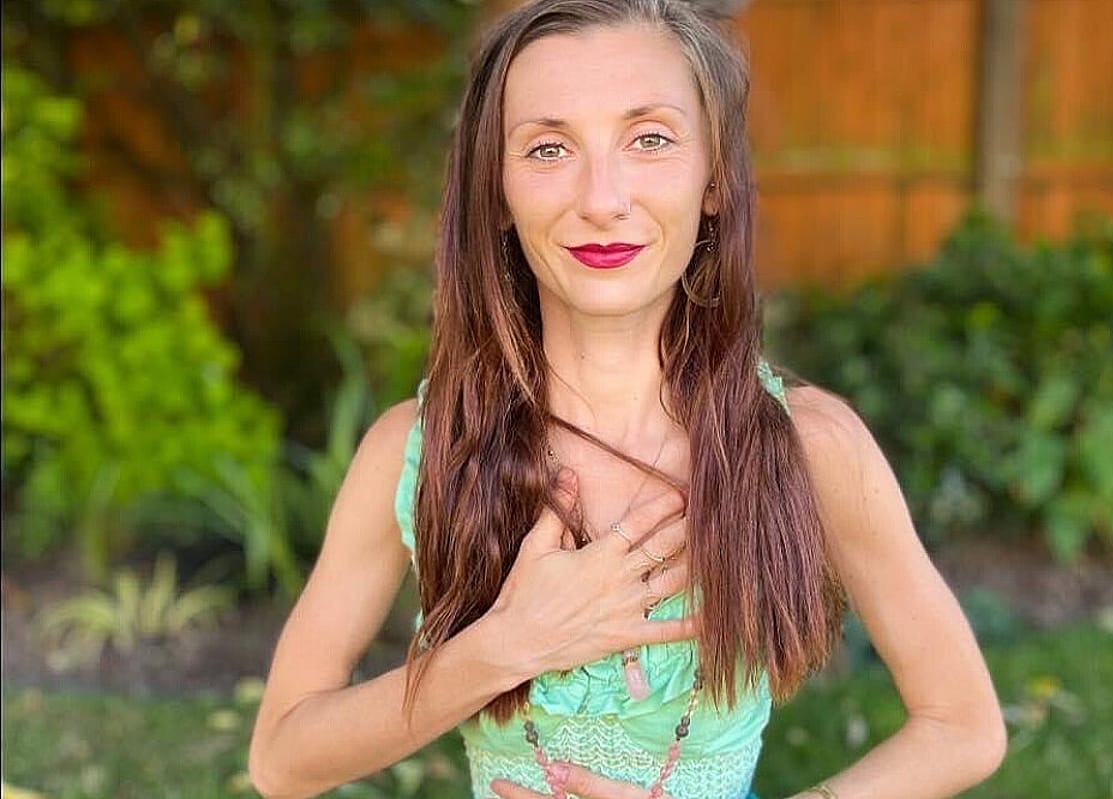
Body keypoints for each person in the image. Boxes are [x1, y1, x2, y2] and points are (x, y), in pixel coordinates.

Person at [248, 0, 1007, 797]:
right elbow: (281, 760)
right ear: (497, 193)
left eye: (649, 139)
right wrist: (501, 647)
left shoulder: (809, 445)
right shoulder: (418, 449)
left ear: (713, 180)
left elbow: (963, 724)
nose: (602, 198)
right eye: (549, 147)